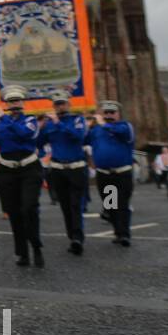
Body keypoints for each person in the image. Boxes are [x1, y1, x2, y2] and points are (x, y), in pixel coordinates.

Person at [0, 85, 43, 267]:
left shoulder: (30, 120)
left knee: (29, 208)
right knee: (14, 212)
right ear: (6, 103)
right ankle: (22, 252)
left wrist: (3, 118)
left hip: (29, 168)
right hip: (6, 169)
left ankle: (36, 246)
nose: (15, 104)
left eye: (17, 101)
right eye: (11, 101)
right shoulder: (0, 123)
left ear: (23, 103)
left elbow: (24, 134)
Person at [39, 90, 89, 256]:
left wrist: (58, 122)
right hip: (58, 169)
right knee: (66, 206)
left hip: (76, 168)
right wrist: (40, 128)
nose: (60, 107)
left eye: (62, 103)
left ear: (69, 103)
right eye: (57, 104)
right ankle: (72, 237)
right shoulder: (49, 124)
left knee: (76, 204)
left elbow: (78, 137)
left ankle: (77, 238)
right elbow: (39, 143)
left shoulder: (77, 119)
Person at [86, 100, 135, 246]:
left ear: (118, 114)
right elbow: (82, 140)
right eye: (106, 112)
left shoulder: (125, 126)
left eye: (112, 112)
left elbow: (122, 133)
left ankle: (125, 234)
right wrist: (86, 126)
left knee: (122, 204)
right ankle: (118, 232)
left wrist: (103, 124)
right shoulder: (97, 130)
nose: (108, 115)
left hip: (122, 173)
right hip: (104, 174)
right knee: (110, 205)